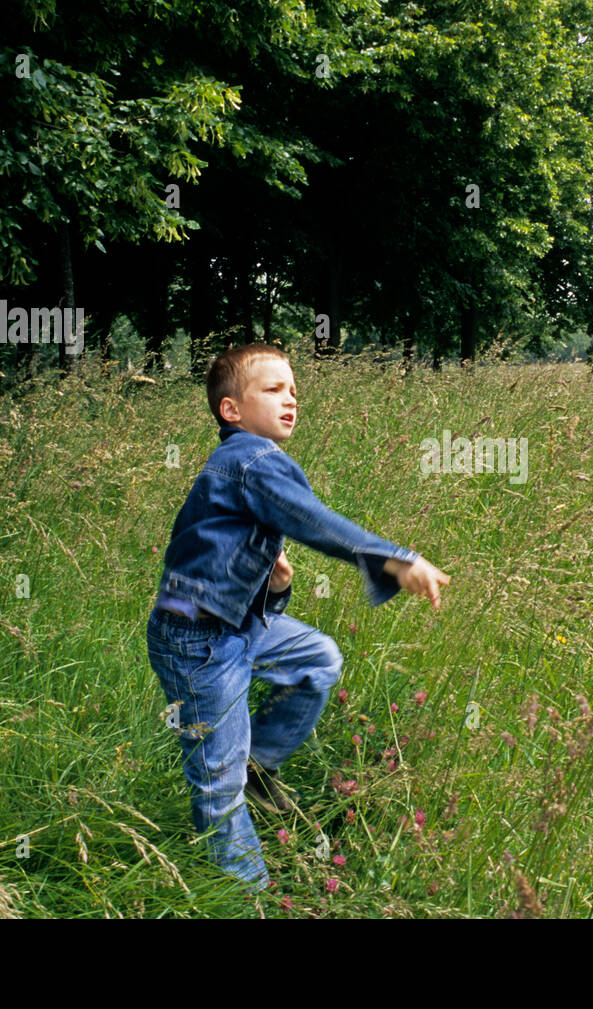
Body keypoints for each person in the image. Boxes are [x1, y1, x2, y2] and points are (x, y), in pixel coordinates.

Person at [146, 342, 449, 892]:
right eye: (273, 389)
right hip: (198, 644)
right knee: (218, 786)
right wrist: (392, 557)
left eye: (293, 390)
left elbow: (231, 570)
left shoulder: (247, 468)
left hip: (234, 630)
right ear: (230, 410)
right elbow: (313, 519)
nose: (290, 400)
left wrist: (277, 589)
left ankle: (258, 764)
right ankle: (247, 896)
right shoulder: (250, 460)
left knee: (318, 658)